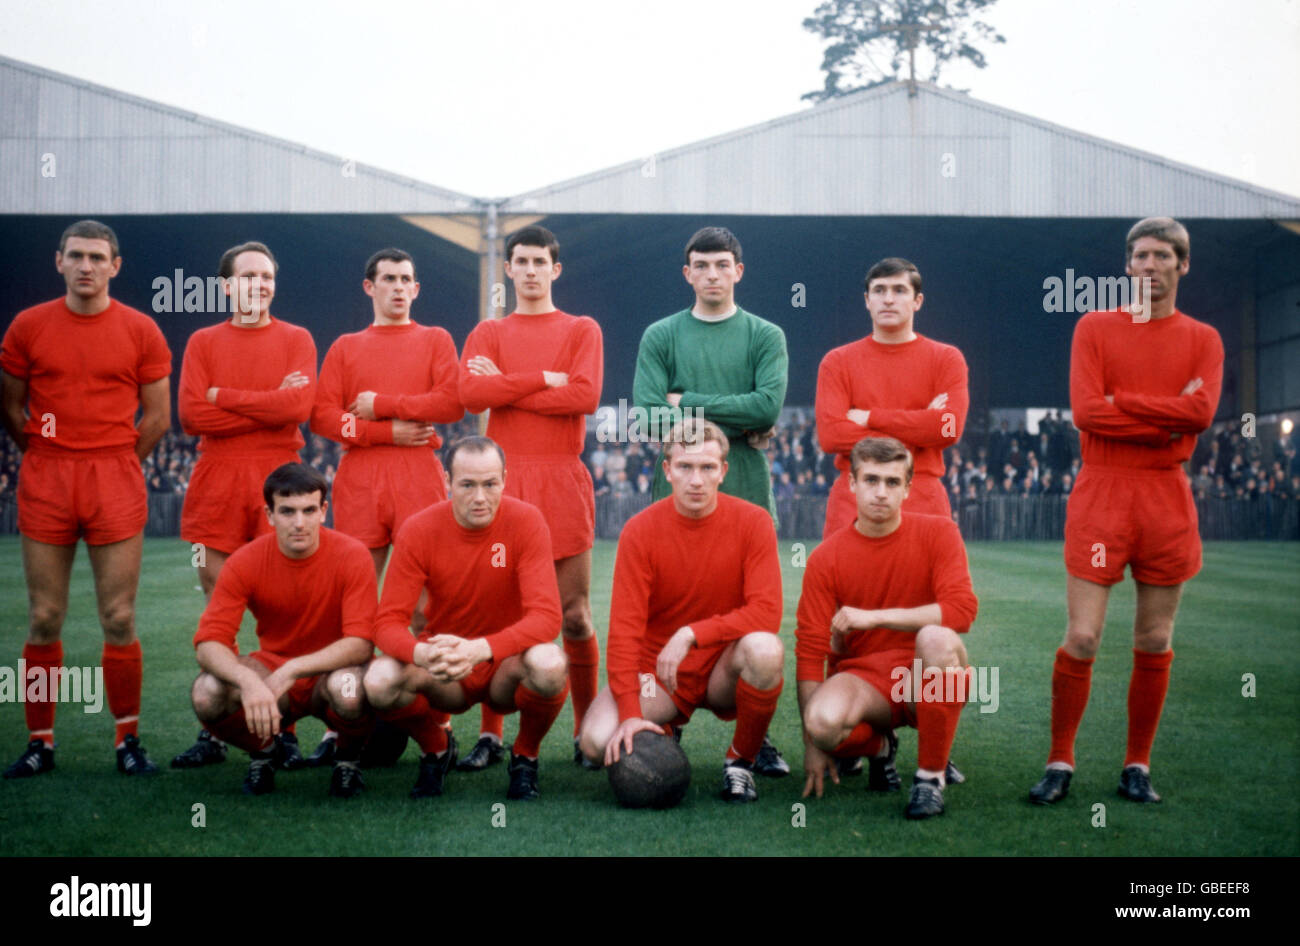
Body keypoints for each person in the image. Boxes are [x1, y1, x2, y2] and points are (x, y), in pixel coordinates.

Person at [1029, 217, 1224, 806]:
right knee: (1084, 635)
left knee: (1154, 637)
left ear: (1182, 265)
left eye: (1163, 256)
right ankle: (1060, 759)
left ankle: (1136, 764)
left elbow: (1202, 414)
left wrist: (1130, 403)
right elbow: (1088, 412)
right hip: (1103, 493)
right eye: (1141, 256)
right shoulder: (1094, 327)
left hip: (1166, 495)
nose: (1151, 265)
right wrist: (1164, 419)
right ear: (1127, 265)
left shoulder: (1203, 339)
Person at [1, 220, 171, 778]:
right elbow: (12, 407)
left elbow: (158, 418)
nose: (86, 266)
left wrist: (115, 460)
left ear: (115, 266)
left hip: (113, 476)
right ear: (58, 262)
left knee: (118, 616)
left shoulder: (141, 330)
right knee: (45, 616)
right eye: (75, 255)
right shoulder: (28, 326)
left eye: (97, 257)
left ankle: (127, 741)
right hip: (48, 474)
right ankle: (40, 743)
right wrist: (49, 451)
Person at [631, 226, 790, 778]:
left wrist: (689, 401)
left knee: (754, 626)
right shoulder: (660, 335)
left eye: (723, 264)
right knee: (665, 610)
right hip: (674, 497)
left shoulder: (766, 335)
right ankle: (664, 716)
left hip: (745, 485)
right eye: (701, 265)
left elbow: (768, 408)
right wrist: (733, 419)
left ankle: (753, 739)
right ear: (687, 273)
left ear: (738, 271)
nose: (712, 274)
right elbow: (649, 414)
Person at [307, 247, 463, 766]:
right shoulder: (347, 346)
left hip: (418, 471)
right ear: (368, 286)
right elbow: (324, 418)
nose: (399, 287)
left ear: (416, 290)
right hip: (361, 475)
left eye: (407, 280)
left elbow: (451, 403)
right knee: (352, 602)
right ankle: (341, 719)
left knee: (424, 603)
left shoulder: (435, 338)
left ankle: (433, 719)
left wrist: (386, 405)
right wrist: (383, 431)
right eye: (389, 279)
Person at [578, 419, 785, 803]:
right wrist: (629, 715)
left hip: (723, 667)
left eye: (707, 468)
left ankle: (741, 761)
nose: (696, 480)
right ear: (667, 469)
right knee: (594, 742)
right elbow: (624, 632)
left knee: (765, 650)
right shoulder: (640, 531)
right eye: (685, 467)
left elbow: (768, 613)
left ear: (723, 471)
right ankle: (663, 725)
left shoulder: (754, 522)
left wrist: (692, 633)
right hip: (659, 674)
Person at [458, 226, 602, 771]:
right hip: (502, 482)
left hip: (561, 480)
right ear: (509, 270)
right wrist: (543, 379)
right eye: (521, 261)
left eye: (541, 260)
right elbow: (471, 394)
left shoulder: (581, 327)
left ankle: (588, 732)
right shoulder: (488, 331)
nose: (531, 269)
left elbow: (584, 395)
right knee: (496, 611)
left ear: (555, 269)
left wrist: (509, 386)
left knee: (575, 616)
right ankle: (490, 734)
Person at [172, 241, 317, 771]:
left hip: (279, 476)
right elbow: (190, 415)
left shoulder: (296, 338)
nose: (259, 285)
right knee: (218, 608)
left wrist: (223, 396)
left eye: (267, 276)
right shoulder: (203, 340)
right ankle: (216, 730)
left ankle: (285, 727)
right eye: (248, 276)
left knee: (283, 609)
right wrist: (267, 402)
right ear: (226, 285)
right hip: (216, 479)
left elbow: (297, 407)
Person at [362, 436, 568, 801]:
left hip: (504, 664)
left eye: (490, 484)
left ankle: (525, 756)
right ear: (447, 481)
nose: (479, 497)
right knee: (379, 680)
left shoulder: (527, 521)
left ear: (505, 478)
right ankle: (436, 749)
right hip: (444, 665)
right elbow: (386, 623)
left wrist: (481, 649)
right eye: (467, 485)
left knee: (550, 663)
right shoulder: (418, 529)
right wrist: (421, 655)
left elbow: (547, 617)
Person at [796, 437, 978, 819]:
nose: (881, 493)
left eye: (893, 482)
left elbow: (961, 611)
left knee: (935, 637)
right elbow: (811, 650)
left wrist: (876, 616)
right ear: (852, 483)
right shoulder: (825, 557)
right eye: (871, 480)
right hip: (866, 681)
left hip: (923, 669)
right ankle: (881, 748)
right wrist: (812, 743)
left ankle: (930, 777)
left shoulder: (940, 533)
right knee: (822, 721)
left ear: (908, 488)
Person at [189, 464, 376, 797]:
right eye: (287, 511)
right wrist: (247, 681)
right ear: (270, 514)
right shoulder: (245, 561)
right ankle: (263, 752)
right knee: (207, 692)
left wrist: (294, 668)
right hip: (272, 672)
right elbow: (208, 642)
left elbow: (361, 644)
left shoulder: (352, 555)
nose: (299, 522)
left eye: (308, 510)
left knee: (348, 689)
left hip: (330, 674)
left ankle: (347, 762)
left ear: (323, 511)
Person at [815, 257, 968, 539]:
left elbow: (948, 428)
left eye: (899, 290)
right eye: (879, 290)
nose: (888, 299)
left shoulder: (947, 359)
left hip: (922, 498)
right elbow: (831, 436)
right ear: (867, 300)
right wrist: (921, 425)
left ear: (917, 301)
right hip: (854, 499)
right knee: (849, 584)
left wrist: (872, 417)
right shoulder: (837, 362)